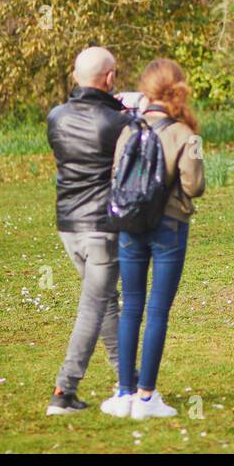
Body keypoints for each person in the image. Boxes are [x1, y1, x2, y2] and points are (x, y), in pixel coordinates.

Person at [101, 58, 205, 420]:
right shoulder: (186, 134)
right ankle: (147, 397)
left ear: (146, 90)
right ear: (179, 87)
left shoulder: (129, 130)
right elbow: (195, 186)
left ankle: (124, 392)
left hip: (130, 225)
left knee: (130, 306)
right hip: (170, 227)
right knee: (157, 311)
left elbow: (115, 175)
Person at [44, 46, 129, 416]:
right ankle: (64, 389)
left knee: (105, 301)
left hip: (68, 225)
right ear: (109, 78)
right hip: (101, 228)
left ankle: (126, 380)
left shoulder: (55, 117)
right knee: (93, 307)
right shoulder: (117, 123)